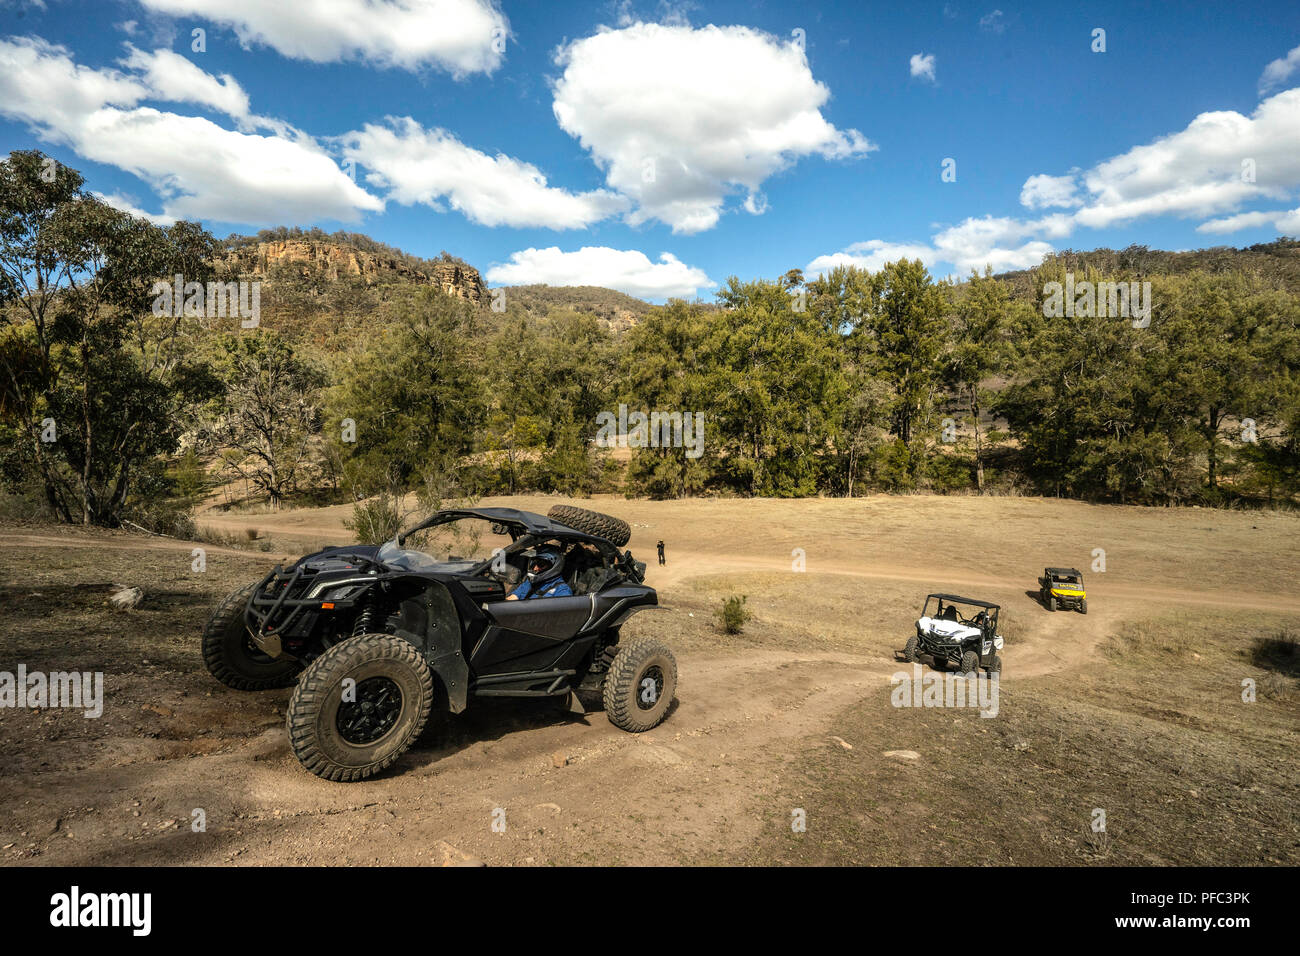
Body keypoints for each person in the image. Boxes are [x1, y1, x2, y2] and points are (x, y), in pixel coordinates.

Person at [506, 549, 573, 600]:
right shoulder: (531, 581)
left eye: (541, 564)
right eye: (533, 564)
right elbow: (514, 597)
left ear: (554, 566)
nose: (535, 568)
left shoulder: (562, 591)